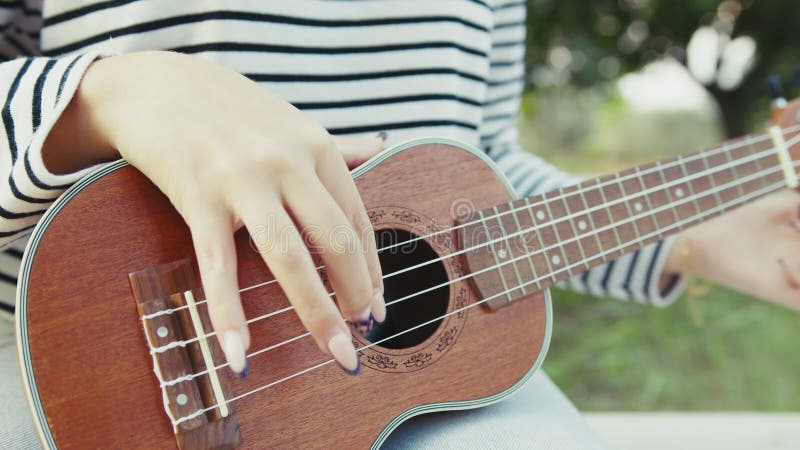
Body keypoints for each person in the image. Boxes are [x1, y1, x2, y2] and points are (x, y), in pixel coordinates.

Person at [1, 1, 798, 448]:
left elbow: (472, 175)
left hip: (412, 404)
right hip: (89, 356)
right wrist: (113, 93)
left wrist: (689, 239)